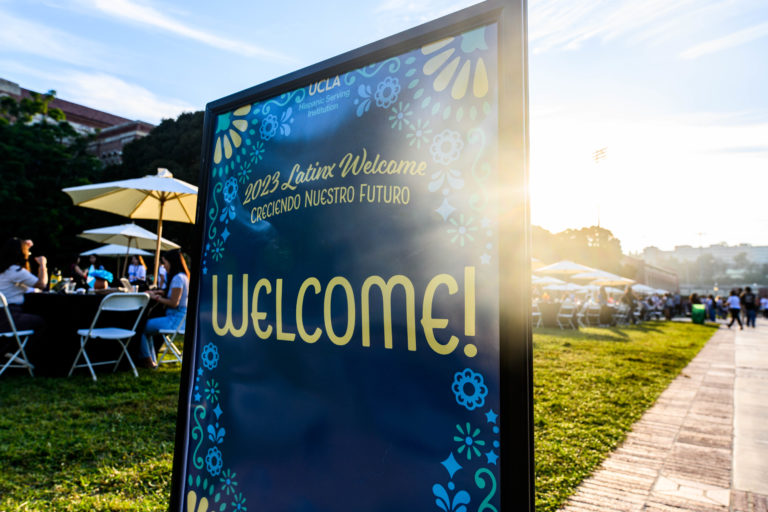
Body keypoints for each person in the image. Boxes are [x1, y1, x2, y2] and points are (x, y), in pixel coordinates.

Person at [137, 250, 189, 368]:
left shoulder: (178, 278)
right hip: (178, 318)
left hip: (175, 320)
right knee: (147, 330)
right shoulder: (183, 276)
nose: (164, 267)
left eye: (164, 263)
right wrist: (159, 292)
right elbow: (173, 295)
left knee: (141, 327)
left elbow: (173, 303)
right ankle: (150, 360)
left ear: (172, 262)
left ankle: (148, 361)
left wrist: (154, 297)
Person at [0, 238, 47, 349]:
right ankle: (29, 356)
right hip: (8, 317)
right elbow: (42, 285)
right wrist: (42, 265)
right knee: (42, 322)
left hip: (3, 316)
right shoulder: (15, 271)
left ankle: (10, 352)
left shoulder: (4, 270)